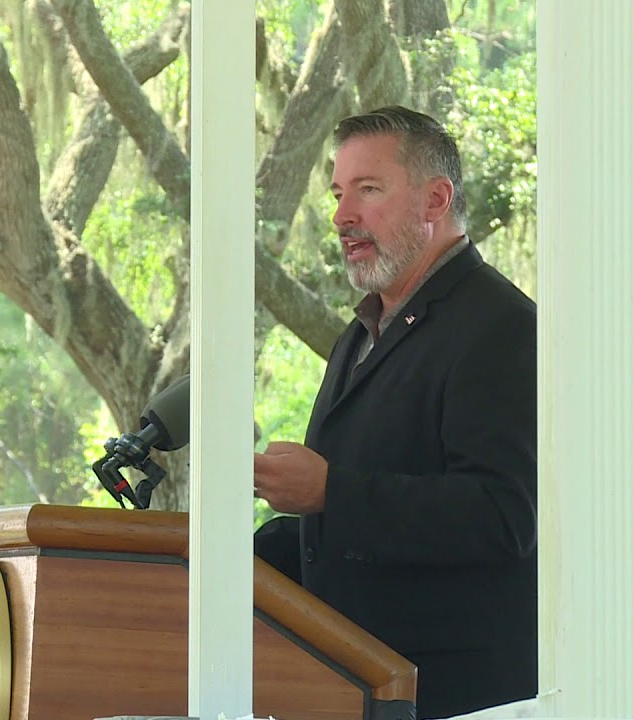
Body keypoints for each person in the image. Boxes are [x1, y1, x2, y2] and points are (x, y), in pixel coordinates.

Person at [253, 105, 537, 718]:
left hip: (453, 697)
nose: (341, 216)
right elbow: (341, 538)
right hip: (354, 689)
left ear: (436, 199)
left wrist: (332, 491)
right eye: (337, 193)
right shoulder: (360, 333)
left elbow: (502, 516)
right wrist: (209, 556)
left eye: (368, 190)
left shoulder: (500, 327)